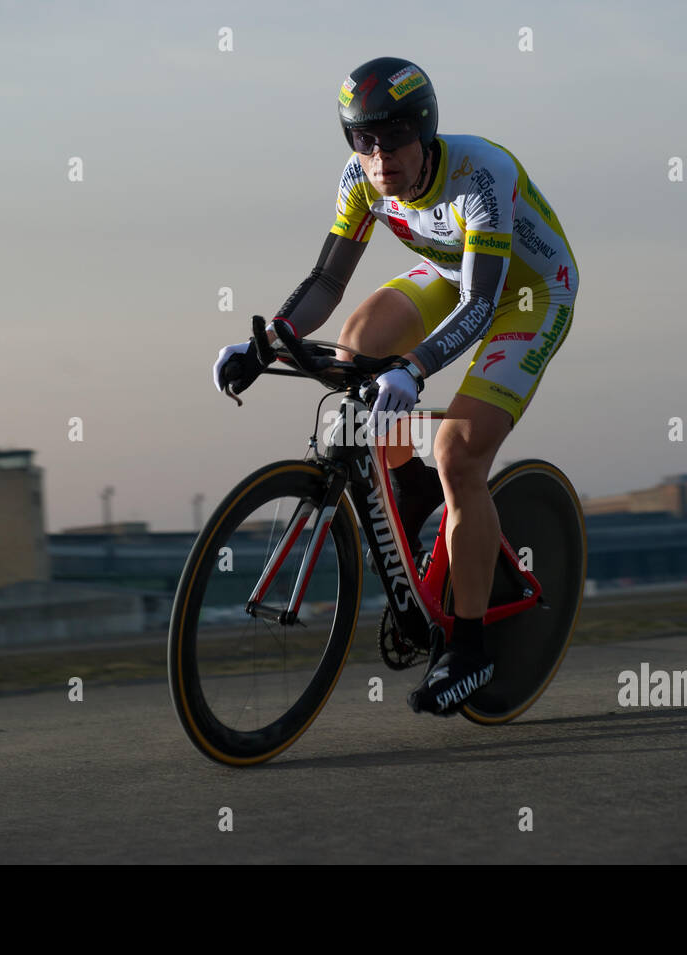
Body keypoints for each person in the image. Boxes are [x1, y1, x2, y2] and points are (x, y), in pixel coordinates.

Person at [213, 56, 579, 716]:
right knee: (356, 347)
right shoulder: (361, 179)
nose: (378, 155)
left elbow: (479, 304)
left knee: (459, 454)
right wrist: (265, 342)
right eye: (362, 138)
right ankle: (411, 497)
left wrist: (414, 370)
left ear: (426, 129)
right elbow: (326, 282)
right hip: (450, 266)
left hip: (526, 291)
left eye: (392, 136)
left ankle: (468, 648)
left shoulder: (480, 175)